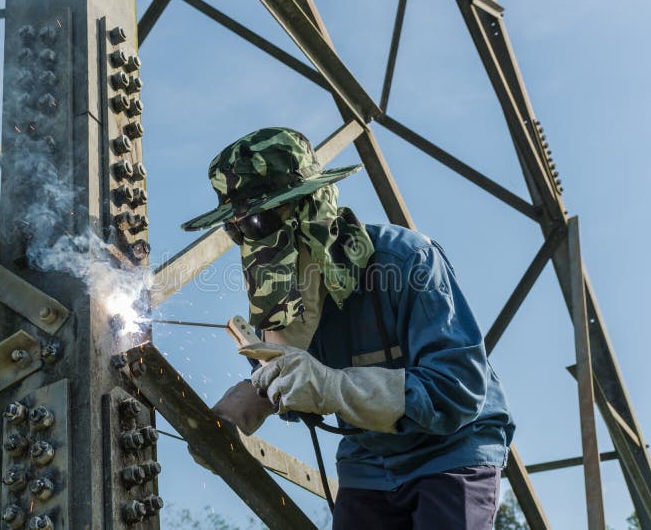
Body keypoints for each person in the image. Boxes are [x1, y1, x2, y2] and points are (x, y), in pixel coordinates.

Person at [181, 127, 515, 529]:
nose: (252, 236)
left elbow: (458, 390)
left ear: (308, 206)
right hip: (368, 460)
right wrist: (245, 403)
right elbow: (286, 371)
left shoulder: (407, 260)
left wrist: (333, 386)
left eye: (259, 218)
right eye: (238, 227)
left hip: (452, 450)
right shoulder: (283, 292)